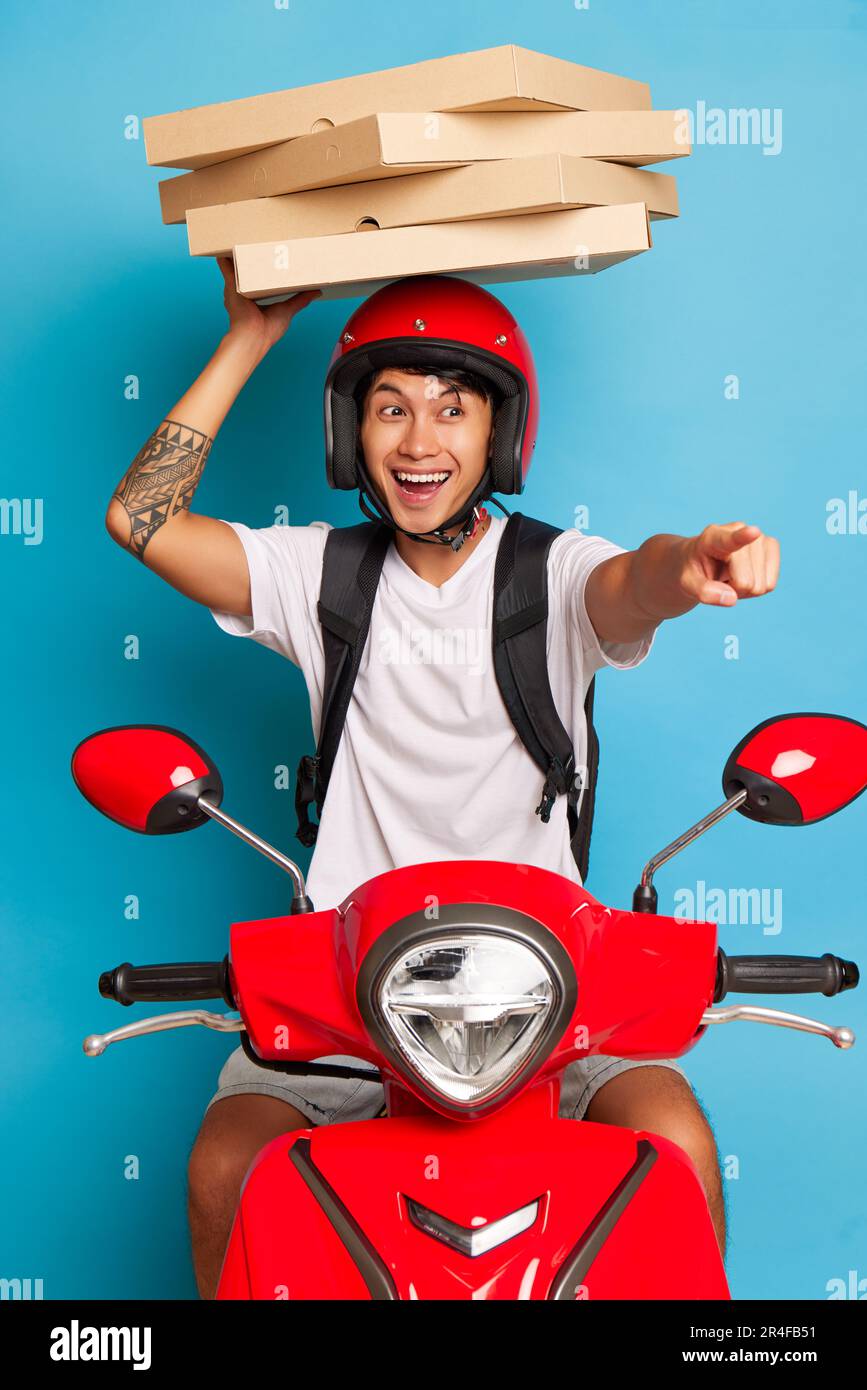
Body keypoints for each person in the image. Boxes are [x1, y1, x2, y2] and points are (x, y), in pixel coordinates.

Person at [106, 259, 779, 1298]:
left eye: (452, 410)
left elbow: (632, 578)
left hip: (545, 997)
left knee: (676, 1143)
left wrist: (689, 562)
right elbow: (140, 523)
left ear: (501, 431)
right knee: (223, 1166)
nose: (420, 441)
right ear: (348, 432)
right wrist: (249, 336)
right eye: (389, 408)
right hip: (343, 997)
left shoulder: (553, 575)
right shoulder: (316, 572)